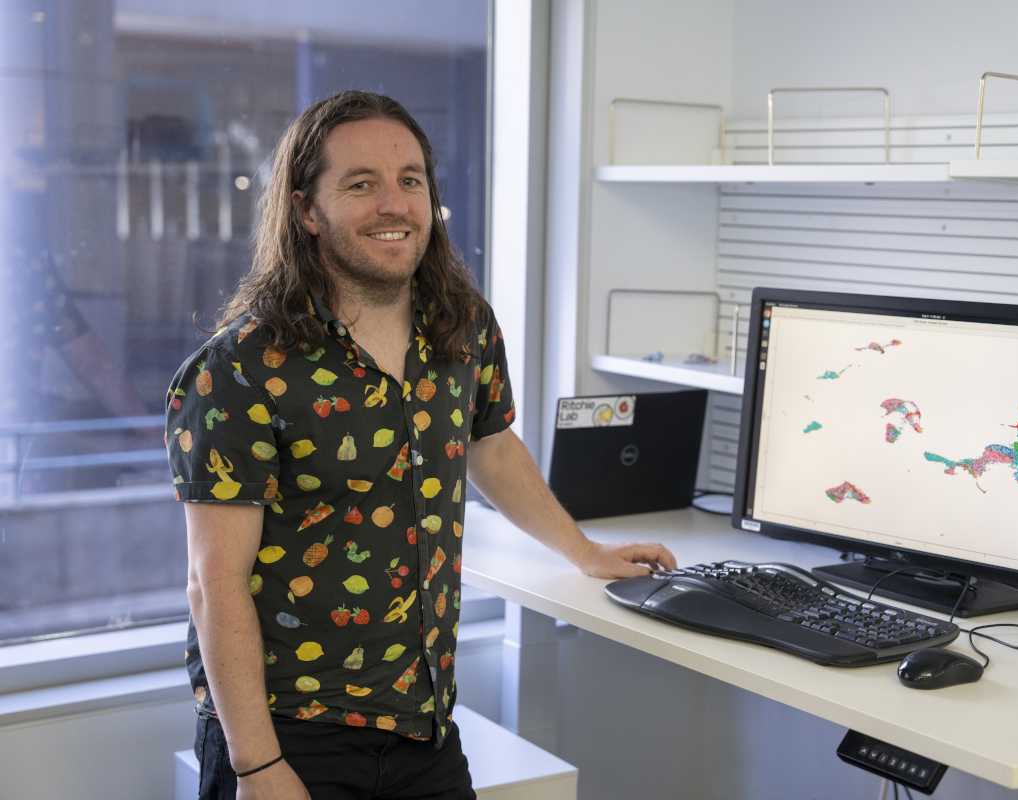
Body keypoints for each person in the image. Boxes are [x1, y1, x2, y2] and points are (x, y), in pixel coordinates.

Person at [166, 89, 677, 800]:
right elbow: (214, 581)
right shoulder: (239, 370)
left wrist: (583, 550)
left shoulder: (461, 325)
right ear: (307, 210)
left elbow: (490, 445)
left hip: (423, 721)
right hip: (289, 732)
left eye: (410, 180)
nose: (394, 205)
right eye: (361, 184)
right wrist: (257, 766)